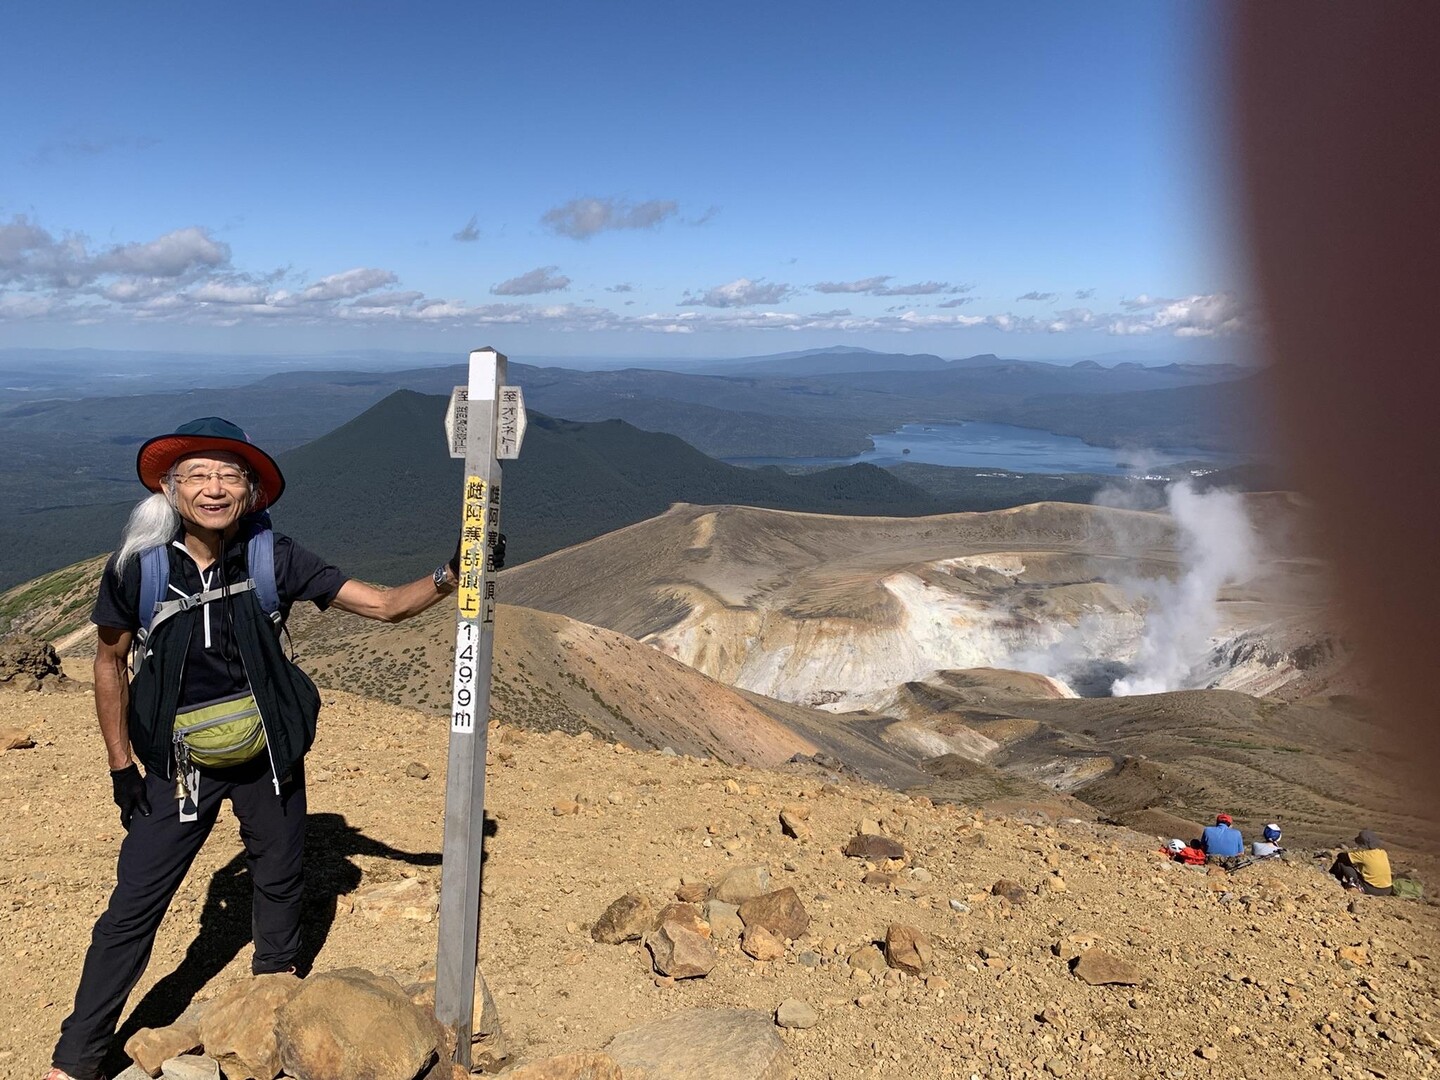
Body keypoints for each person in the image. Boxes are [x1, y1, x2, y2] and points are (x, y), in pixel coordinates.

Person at [48, 417, 478, 1080]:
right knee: (137, 902)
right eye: (198, 474)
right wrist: (121, 766)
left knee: (279, 881)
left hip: (267, 754)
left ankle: (270, 1014)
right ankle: (76, 1055)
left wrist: (453, 572)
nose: (214, 488)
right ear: (169, 487)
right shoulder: (139, 569)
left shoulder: (273, 558)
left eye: (229, 475)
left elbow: (388, 605)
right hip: (182, 762)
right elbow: (110, 663)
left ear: (250, 491)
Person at [1331, 830, 1395, 896]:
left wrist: (1352, 852)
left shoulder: (1364, 855)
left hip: (1372, 889)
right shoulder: (1383, 853)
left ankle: (1333, 879)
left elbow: (1342, 856)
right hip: (1387, 889)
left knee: (1341, 862)